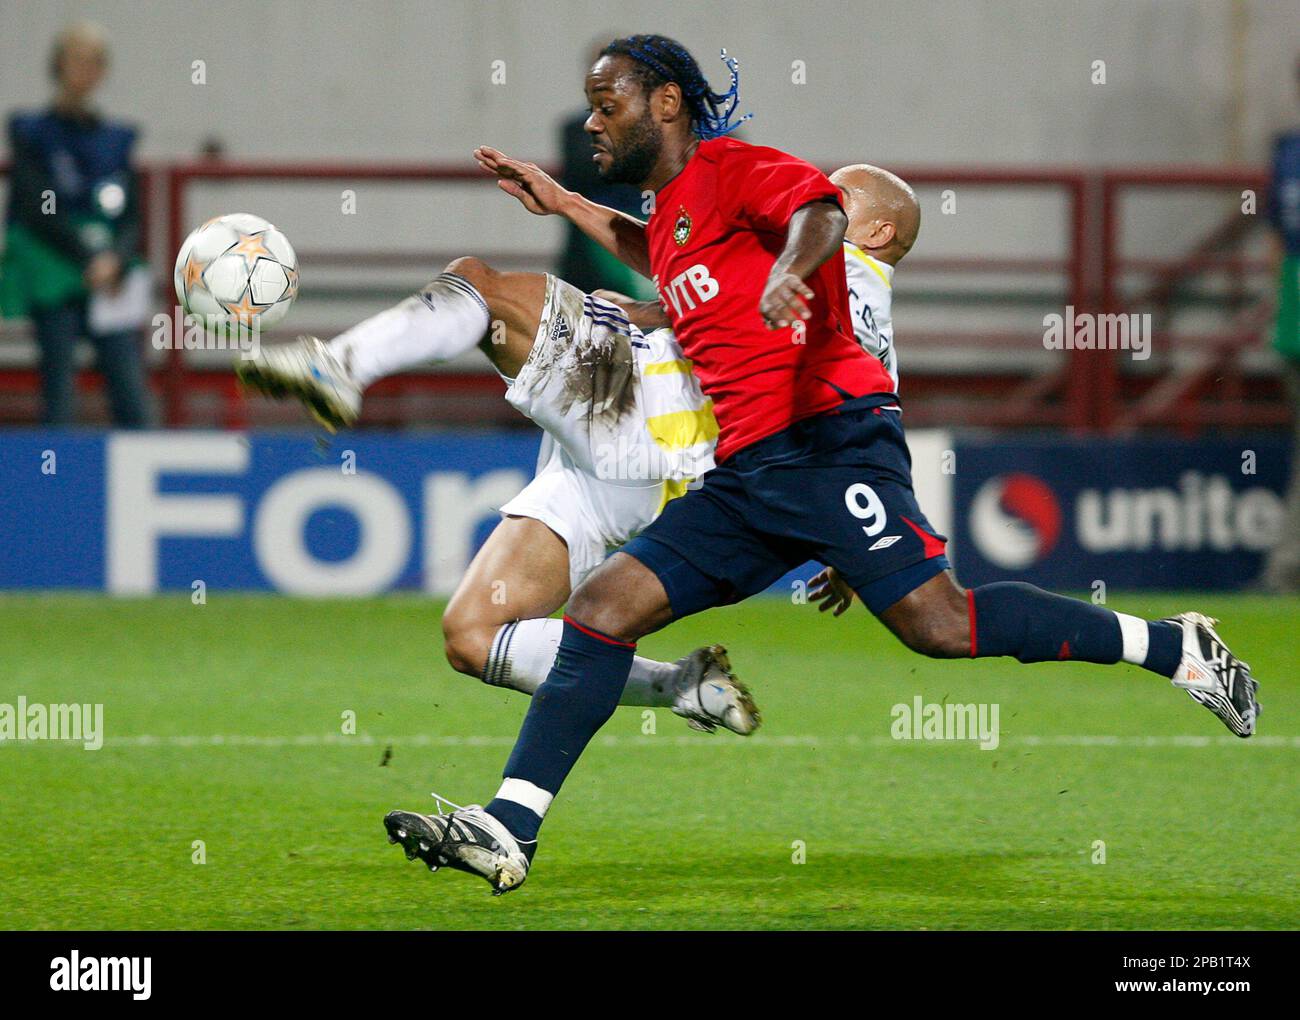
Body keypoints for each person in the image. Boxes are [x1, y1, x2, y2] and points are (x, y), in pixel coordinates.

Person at [376, 34, 1259, 896]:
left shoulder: (781, 207)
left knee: (939, 627)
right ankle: (508, 827)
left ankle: (1175, 647)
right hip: (749, 469)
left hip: (830, 449)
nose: (595, 121)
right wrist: (568, 204)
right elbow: (671, 256)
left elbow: (820, 218)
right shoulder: (694, 216)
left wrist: (795, 267)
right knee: (605, 608)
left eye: (609, 105)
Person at [236, 160, 919, 738]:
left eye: (842, 195)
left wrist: (646, 312)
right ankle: (681, 684)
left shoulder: (838, 271)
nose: (822, 198)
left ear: (879, 231)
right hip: (637, 477)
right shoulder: (853, 302)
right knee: (473, 637)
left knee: (482, 286)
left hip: (650, 411)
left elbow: (750, 326)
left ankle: (341, 366)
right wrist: (568, 205)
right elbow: (683, 263)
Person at [0, 21, 151, 427]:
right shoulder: (32, 133)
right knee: (59, 387)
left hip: (109, 278)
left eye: (94, 61)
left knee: (129, 385)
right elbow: (38, 207)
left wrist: (114, 261)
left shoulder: (116, 140)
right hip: (56, 269)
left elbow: (131, 216)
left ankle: (140, 465)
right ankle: (55, 477)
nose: (85, 69)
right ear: (58, 65)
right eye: (76, 59)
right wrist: (89, 257)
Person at [1260, 58, 1300, 592]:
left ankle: (1287, 564)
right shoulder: (1286, 151)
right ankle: (1289, 566)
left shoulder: (1287, 154)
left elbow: (1274, 237)